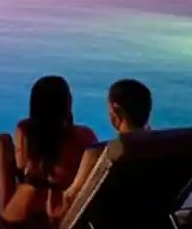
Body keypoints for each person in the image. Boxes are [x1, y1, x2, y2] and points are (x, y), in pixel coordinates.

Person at [0, 76, 98, 225]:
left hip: (22, 211)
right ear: (67, 103)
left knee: (3, 140)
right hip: (63, 208)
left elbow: (22, 169)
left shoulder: (26, 131)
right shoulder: (85, 136)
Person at [54, 78, 152, 218]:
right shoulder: (164, 148)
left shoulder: (97, 153)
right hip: (148, 222)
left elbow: (71, 200)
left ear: (116, 111)